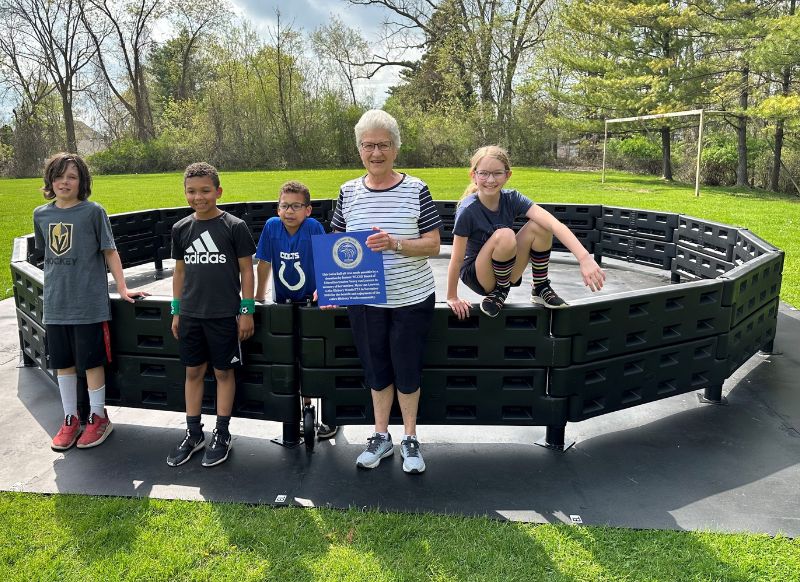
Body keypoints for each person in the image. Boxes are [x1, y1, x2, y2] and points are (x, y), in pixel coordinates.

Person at [330, 109, 442, 474]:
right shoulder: (347, 192)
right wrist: (332, 287)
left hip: (411, 298)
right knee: (377, 369)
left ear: (396, 148)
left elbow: (433, 245)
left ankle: (410, 438)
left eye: (383, 145)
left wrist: (395, 244)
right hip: (364, 301)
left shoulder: (416, 188)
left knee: (407, 370)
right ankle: (381, 436)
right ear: (358, 149)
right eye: (368, 146)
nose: (375, 153)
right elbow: (336, 244)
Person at [33, 152, 142, 451]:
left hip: (89, 304)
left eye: (71, 176)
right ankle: (70, 418)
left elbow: (110, 251)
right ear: (50, 180)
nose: (64, 182)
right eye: (58, 176)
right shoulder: (41, 214)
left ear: (82, 181)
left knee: (92, 362)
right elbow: (47, 255)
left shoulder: (93, 212)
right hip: (56, 305)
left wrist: (122, 288)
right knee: (63, 364)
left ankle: (98, 417)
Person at [447, 145, 606, 319]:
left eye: (497, 173)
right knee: (505, 234)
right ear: (473, 175)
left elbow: (554, 224)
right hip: (477, 275)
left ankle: (540, 286)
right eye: (484, 173)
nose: (490, 180)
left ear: (508, 175)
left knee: (541, 225)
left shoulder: (512, 198)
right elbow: (457, 259)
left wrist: (584, 258)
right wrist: (452, 296)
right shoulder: (468, 208)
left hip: (505, 271)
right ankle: (500, 291)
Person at [167, 162, 256, 468]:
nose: (198, 197)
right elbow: (179, 272)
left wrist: (247, 309)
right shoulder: (181, 229)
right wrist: (176, 310)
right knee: (192, 372)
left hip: (224, 316)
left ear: (218, 191)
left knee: (222, 373)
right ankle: (193, 434)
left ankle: (222, 433)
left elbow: (247, 269)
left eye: (205, 191)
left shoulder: (234, 227)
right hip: (191, 315)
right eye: (191, 191)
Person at [254, 180, 339, 440]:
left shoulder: (313, 228)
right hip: (283, 303)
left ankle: (314, 409)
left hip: (310, 304)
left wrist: (325, 291)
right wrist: (259, 295)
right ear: (277, 208)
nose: (289, 211)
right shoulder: (271, 227)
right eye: (284, 206)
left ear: (308, 210)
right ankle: (299, 410)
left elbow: (326, 260)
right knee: (288, 356)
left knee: (311, 357)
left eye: (296, 206)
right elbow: (264, 262)